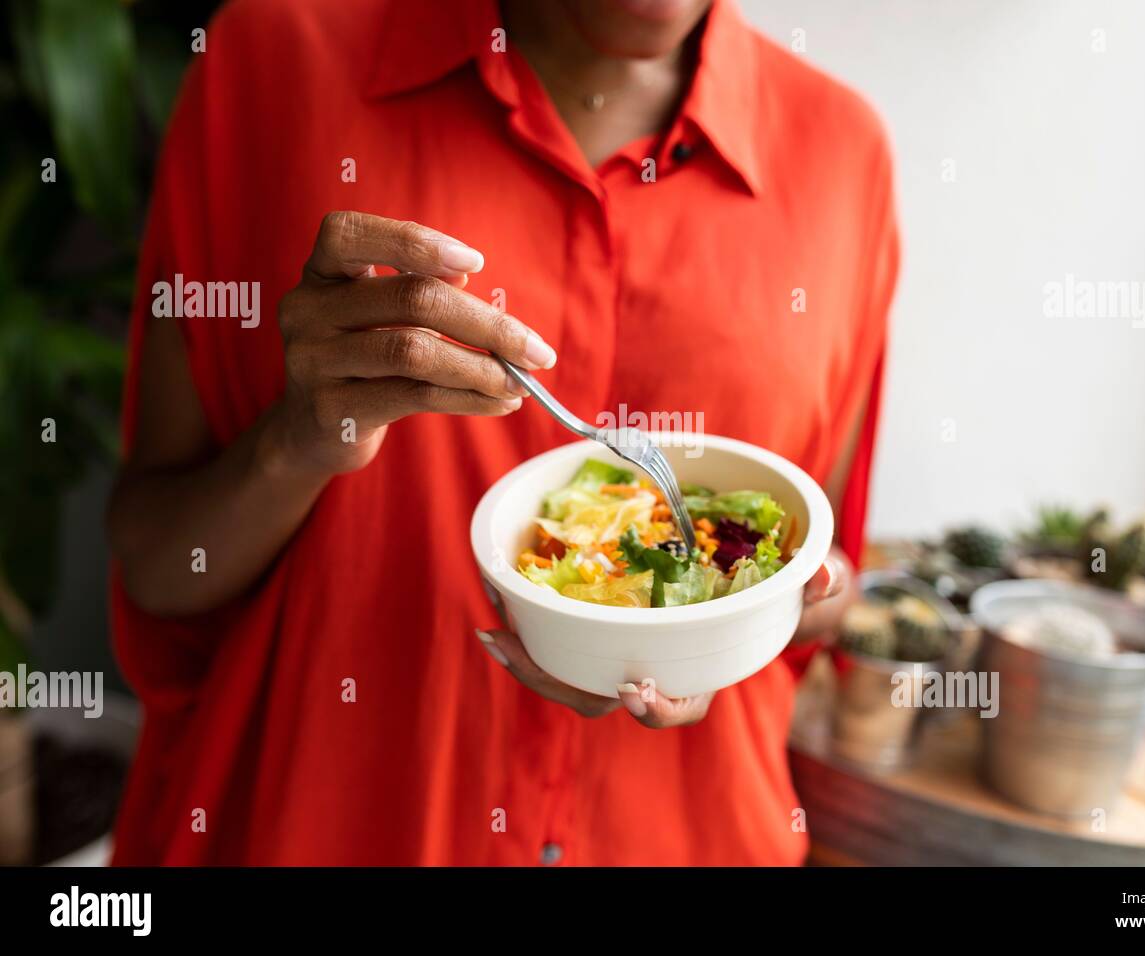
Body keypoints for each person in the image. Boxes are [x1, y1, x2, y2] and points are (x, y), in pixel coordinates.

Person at [107, 0, 898, 865]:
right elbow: (158, 564)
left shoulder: (843, 154)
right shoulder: (276, 58)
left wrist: (750, 619)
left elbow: (825, 580)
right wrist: (292, 443)